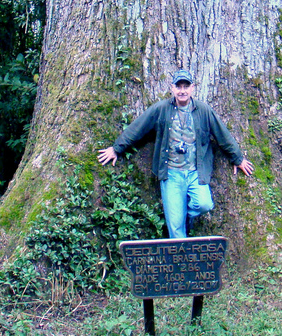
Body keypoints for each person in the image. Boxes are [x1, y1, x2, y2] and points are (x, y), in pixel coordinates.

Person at [97, 69, 254, 239]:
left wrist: (237, 158)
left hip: (195, 173)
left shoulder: (203, 110)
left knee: (204, 205)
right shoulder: (161, 109)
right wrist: (116, 149)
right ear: (172, 88)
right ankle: (182, 252)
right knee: (175, 227)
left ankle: (184, 214)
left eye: (186, 86)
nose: (182, 91)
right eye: (179, 86)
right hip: (171, 174)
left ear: (192, 88)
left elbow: (222, 134)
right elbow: (138, 128)